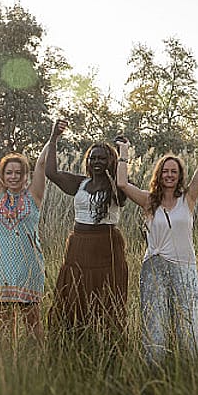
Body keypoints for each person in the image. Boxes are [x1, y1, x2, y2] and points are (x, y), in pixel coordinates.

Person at [115, 118, 198, 363]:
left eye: (174, 171)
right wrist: (124, 153)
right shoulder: (149, 201)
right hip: (154, 268)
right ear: (159, 175)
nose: (169, 175)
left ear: (179, 176)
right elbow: (122, 183)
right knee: (155, 328)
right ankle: (154, 373)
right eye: (165, 171)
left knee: (187, 327)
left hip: (184, 267)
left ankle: (187, 372)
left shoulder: (188, 199)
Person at [44, 119, 128, 333]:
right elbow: (51, 173)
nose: (97, 162)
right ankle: (74, 338)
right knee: (75, 289)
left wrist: (123, 155)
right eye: (93, 158)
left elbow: (122, 189)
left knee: (105, 293)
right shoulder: (79, 183)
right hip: (79, 245)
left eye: (102, 158)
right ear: (87, 161)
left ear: (111, 161)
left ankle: (105, 338)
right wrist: (54, 138)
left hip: (106, 246)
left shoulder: (117, 185)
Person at [0, 123, 49, 338]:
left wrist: (54, 136)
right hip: (0, 266)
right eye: (9, 172)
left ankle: (36, 364)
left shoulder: (34, 196)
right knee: (4, 324)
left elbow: (41, 165)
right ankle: (7, 368)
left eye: (18, 173)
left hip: (28, 265)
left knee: (33, 321)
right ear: (3, 175)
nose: (13, 176)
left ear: (25, 175)